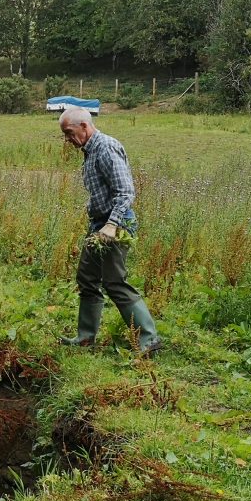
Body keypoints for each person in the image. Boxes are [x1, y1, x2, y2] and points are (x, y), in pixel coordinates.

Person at [58, 107, 161, 357]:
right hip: (99, 225)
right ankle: (85, 338)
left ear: (84, 126)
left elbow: (125, 192)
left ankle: (149, 339)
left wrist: (112, 225)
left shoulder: (106, 147)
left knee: (114, 281)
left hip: (116, 224)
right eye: (65, 135)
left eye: (69, 133)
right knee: (87, 279)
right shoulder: (90, 151)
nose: (68, 139)